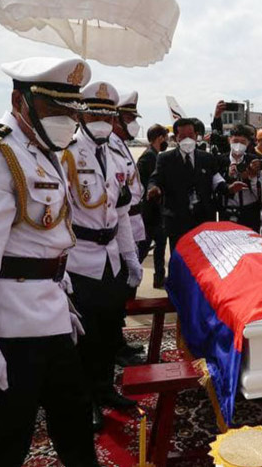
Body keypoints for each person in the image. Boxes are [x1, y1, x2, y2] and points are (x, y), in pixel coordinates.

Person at [0, 57, 98, 466]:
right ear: (19, 101)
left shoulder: (43, 149)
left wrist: (60, 295)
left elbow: (43, 239)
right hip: (7, 324)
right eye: (55, 107)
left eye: (73, 109)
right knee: (3, 439)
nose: (68, 119)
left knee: (75, 417)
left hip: (49, 310)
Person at [60, 81, 143, 431]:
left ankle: (105, 389)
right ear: (80, 115)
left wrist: (130, 256)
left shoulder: (115, 153)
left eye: (108, 116)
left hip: (110, 258)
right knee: (85, 338)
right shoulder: (65, 154)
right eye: (95, 114)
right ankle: (87, 401)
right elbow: (56, 217)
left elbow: (121, 212)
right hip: (79, 260)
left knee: (110, 331)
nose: (103, 122)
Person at [148, 118, 242, 249]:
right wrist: (153, 188)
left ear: (196, 135)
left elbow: (217, 180)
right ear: (176, 138)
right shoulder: (165, 159)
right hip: (177, 220)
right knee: (180, 255)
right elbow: (155, 178)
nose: (188, 139)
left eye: (191, 135)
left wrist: (228, 188)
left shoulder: (207, 158)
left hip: (203, 218)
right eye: (183, 136)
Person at [107, 91, 148, 365]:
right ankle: (114, 345)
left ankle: (118, 340)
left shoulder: (120, 144)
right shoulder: (108, 145)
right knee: (116, 293)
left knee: (125, 290)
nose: (133, 123)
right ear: (116, 118)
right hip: (120, 225)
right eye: (129, 117)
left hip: (133, 222)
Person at [217, 124, 262, 232]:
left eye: (243, 142)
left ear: (248, 143)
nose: (238, 145)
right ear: (229, 140)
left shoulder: (254, 160)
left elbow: (261, 190)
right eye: (235, 141)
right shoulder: (220, 160)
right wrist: (227, 176)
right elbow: (215, 185)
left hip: (250, 211)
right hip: (227, 210)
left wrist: (251, 176)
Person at [138, 124, 168, 286]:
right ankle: (131, 274)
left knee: (160, 245)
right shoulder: (149, 157)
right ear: (160, 138)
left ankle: (159, 277)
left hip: (155, 211)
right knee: (144, 247)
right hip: (150, 211)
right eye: (165, 138)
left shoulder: (154, 155)